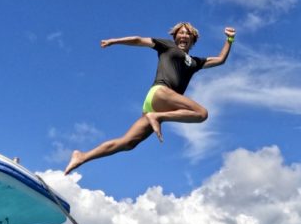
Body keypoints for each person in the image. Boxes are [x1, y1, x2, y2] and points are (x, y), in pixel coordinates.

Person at [64, 22, 235, 175]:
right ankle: (158, 117)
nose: (184, 36)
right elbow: (139, 40)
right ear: (175, 37)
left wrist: (229, 39)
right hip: (161, 92)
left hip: (157, 105)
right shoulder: (167, 46)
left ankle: (82, 156)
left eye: (187, 34)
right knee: (201, 113)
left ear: (193, 39)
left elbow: (220, 60)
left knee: (128, 143)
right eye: (181, 33)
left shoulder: (195, 62)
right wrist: (114, 41)